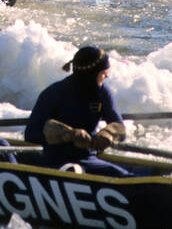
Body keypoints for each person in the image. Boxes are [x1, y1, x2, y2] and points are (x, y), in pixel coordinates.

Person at [24, 46, 130, 176]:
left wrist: (109, 133)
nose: (107, 76)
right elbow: (31, 134)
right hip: (57, 160)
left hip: (88, 158)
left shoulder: (103, 93)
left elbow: (120, 129)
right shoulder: (54, 93)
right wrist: (70, 135)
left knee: (123, 176)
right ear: (91, 74)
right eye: (103, 73)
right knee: (74, 171)